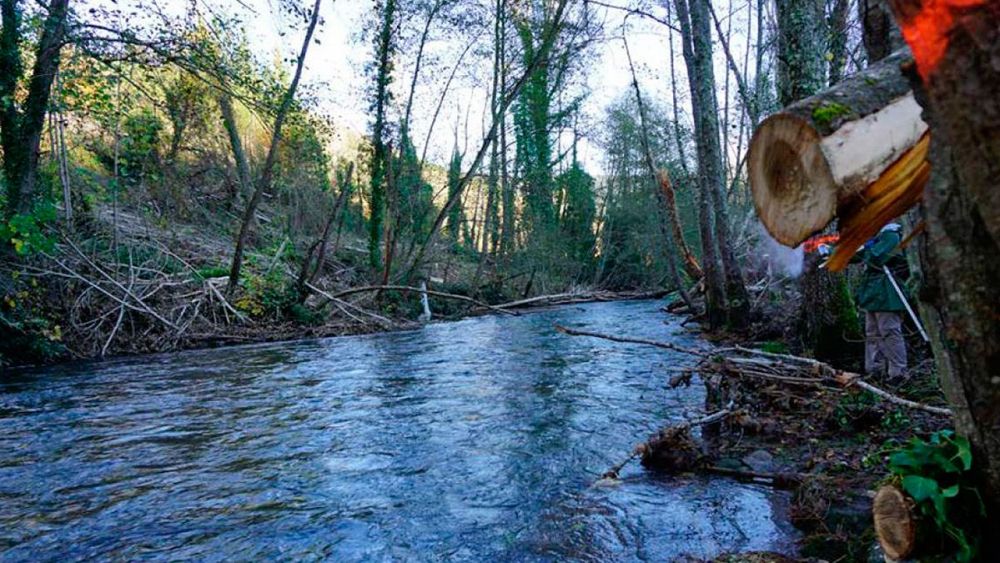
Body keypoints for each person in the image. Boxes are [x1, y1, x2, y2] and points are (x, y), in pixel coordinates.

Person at [853, 223, 909, 381]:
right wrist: (831, 252)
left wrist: (866, 246)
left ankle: (898, 372)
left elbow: (876, 258)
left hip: (887, 291)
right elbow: (855, 256)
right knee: (872, 332)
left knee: (889, 330)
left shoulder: (891, 235)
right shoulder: (876, 238)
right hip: (872, 292)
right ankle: (874, 369)